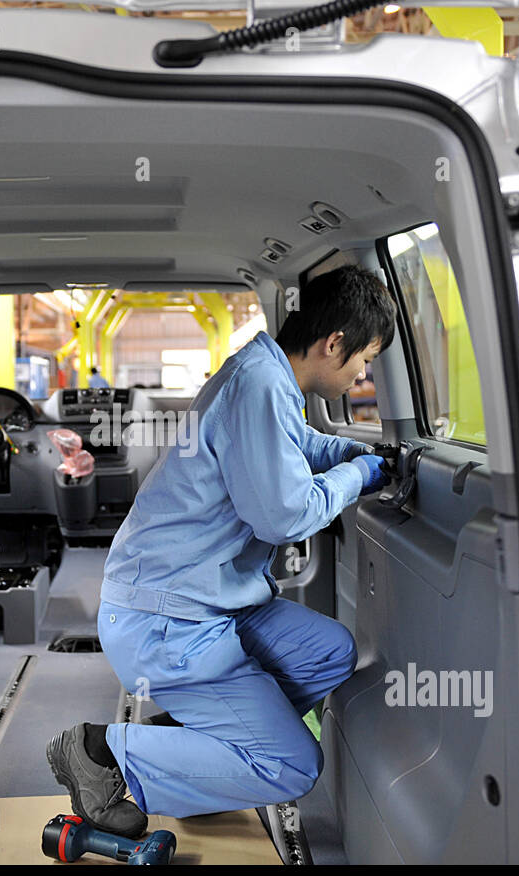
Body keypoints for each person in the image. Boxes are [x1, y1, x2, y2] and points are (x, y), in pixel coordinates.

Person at [46, 265, 398, 837]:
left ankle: (190, 742)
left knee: (328, 651)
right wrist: (358, 475)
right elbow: (285, 515)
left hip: (206, 602)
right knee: (292, 764)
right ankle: (105, 754)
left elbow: (299, 445)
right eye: (365, 359)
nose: (362, 375)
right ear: (334, 343)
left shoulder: (268, 377)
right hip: (167, 620)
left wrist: (354, 454)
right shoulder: (258, 382)